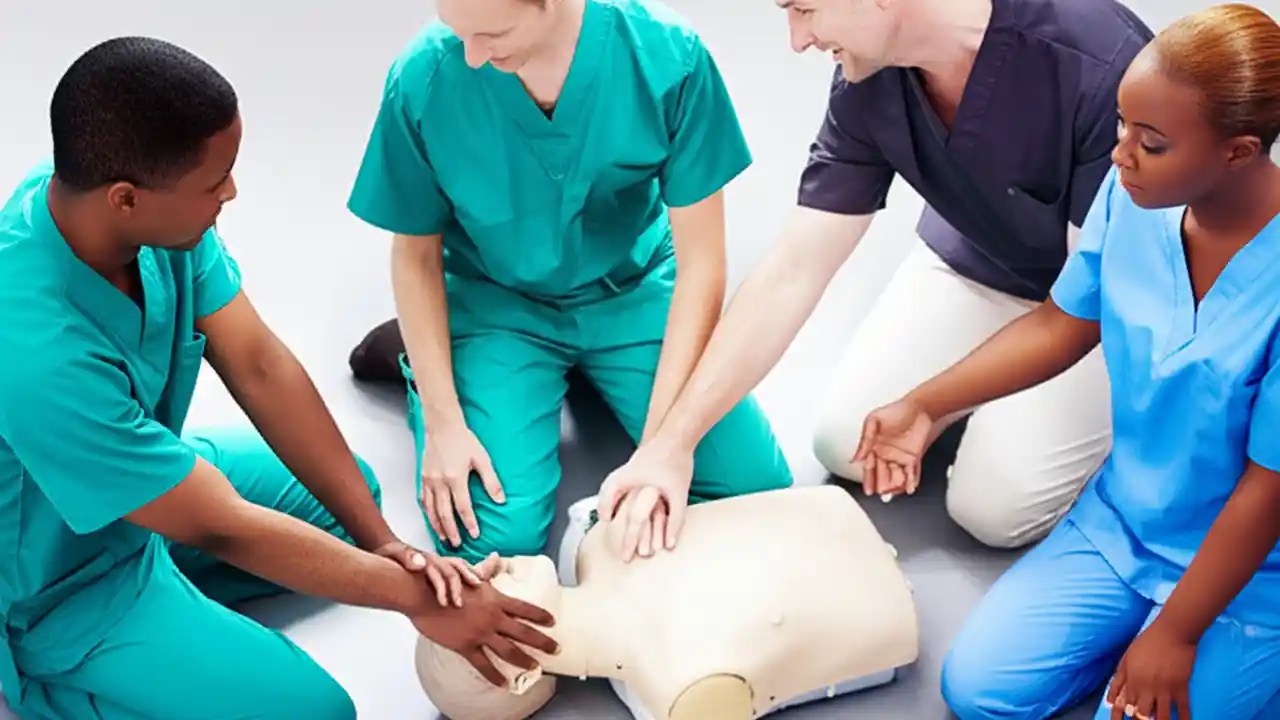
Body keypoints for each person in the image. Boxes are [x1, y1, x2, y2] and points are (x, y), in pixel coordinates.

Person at [0, 37, 557, 720]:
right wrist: (419, 598)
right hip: (55, 586)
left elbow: (259, 363)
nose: (230, 192)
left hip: (134, 494)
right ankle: (54, 673)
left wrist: (386, 547)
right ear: (126, 199)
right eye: (214, 183)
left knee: (351, 496)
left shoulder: (126, 216)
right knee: (317, 712)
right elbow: (224, 528)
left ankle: (164, 560)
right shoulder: (33, 349)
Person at [595, 0, 1156, 556]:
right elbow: (795, 267)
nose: (796, 39)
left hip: (1099, 309)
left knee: (991, 508)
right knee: (848, 444)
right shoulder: (869, 76)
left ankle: (1106, 420)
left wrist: (930, 403)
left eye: (805, 10)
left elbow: (1075, 313)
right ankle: (986, 409)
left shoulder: (1097, 67)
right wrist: (672, 444)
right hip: (982, 262)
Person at [853, 4, 1280, 717]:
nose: (1120, 154)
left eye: (1152, 141)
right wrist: (927, 404)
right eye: (1121, 126)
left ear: (1237, 152)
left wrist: (1175, 634)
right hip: (1126, 522)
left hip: (1254, 567)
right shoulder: (1136, 195)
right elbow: (1061, 324)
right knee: (978, 690)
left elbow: (1268, 490)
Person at [345, 0, 793, 565]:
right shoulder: (426, 75)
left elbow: (702, 262)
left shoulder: (667, 59)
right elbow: (414, 255)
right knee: (490, 541)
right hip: (497, 300)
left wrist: (660, 449)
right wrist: (444, 420)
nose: (474, 55)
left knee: (750, 485)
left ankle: (586, 371)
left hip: (633, 286)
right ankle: (420, 352)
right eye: (458, 32)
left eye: (492, 32)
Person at [412, 484, 919, 720]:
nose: (487, 567)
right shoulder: (684, 692)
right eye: (470, 605)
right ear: (521, 675)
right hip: (892, 607)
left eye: (462, 583)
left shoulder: (592, 535)